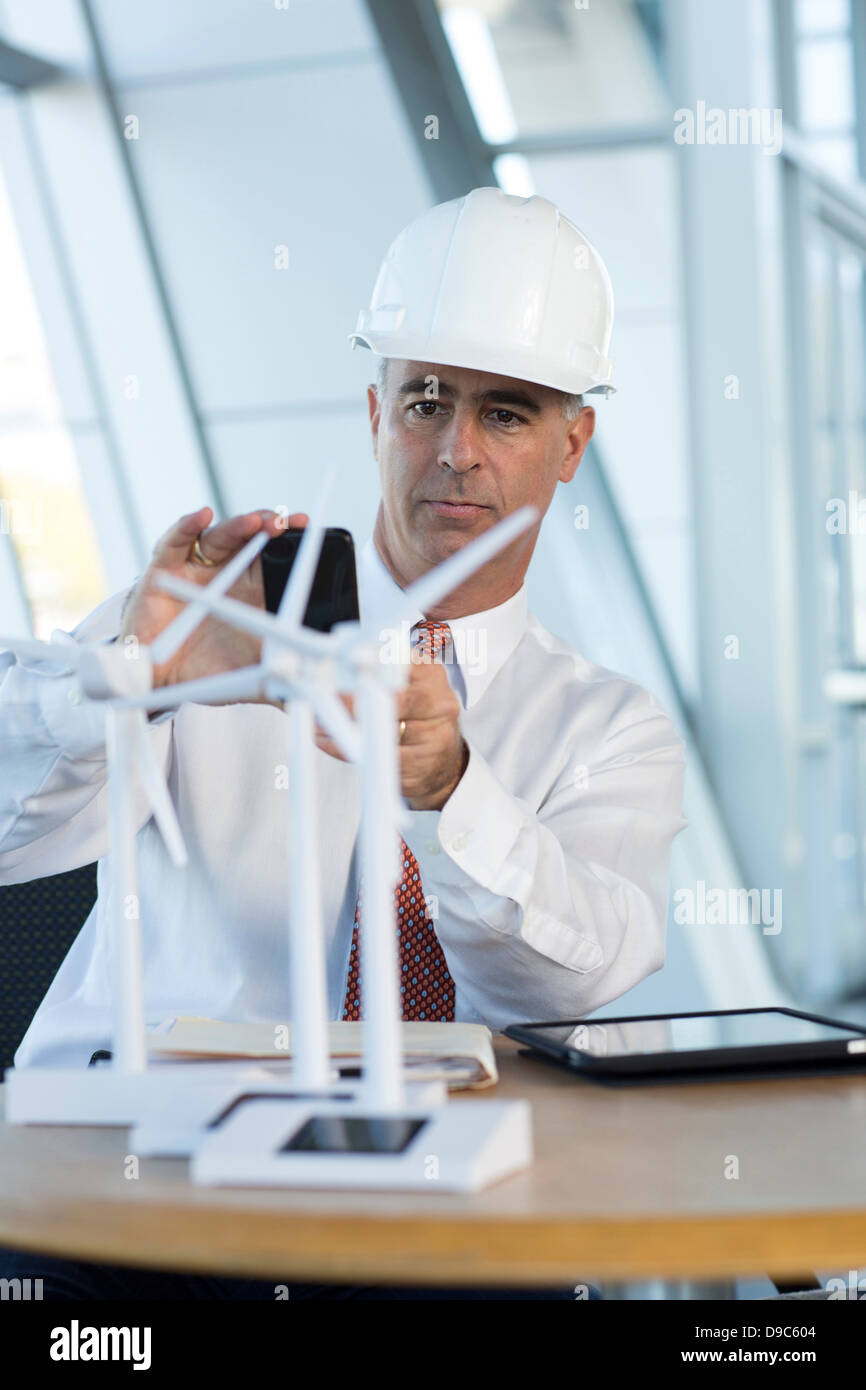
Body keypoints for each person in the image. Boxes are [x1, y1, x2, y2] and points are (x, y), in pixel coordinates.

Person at [0, 188, 686, 1299]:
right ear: (374, 416)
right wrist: (123, 678)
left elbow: (560, 976)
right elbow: (8, 828)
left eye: (505, 412)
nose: (455, 451)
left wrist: (451, 792)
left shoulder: (605, 727)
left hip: (444, 1217)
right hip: (141, 1203)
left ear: (572, 443)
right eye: (425, 401)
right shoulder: (203, 619)